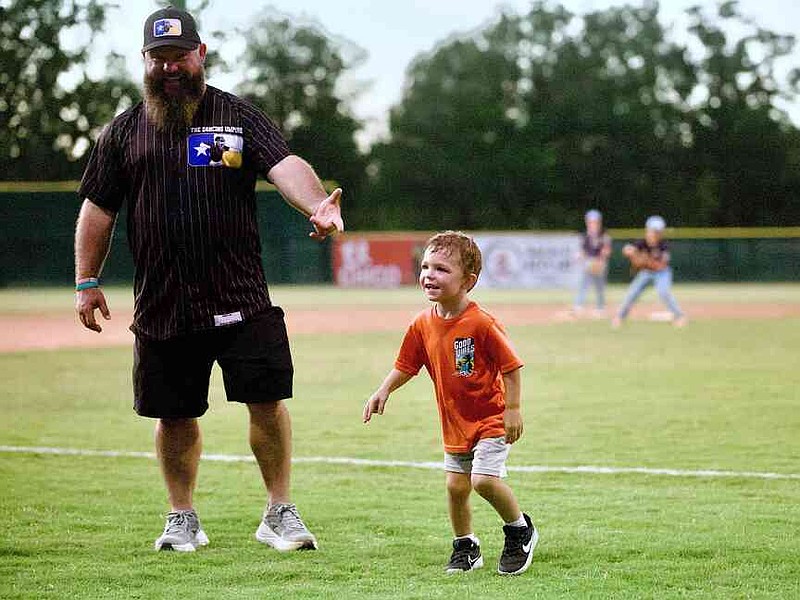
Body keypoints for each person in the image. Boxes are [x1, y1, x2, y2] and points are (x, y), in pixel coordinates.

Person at [74, 6, 343, 553]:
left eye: (179, 56)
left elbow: (284, 165)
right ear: (145, 62)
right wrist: (86, 279)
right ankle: (182, 516)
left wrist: (317, 205)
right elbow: (97, 208)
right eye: (158, 58)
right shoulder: (123, 133)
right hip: (163, 303)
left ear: (201, 55)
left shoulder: (236, 117)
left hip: (240, 296)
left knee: (266, 402)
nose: (169, 68)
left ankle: (279, 511)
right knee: (174, 415)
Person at [362, 231, 538, 576]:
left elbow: (512, 368)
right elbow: (406, 365)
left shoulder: (481, 323)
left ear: (468, 281)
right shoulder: (421, 324)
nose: (429, 274)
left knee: (483, 481)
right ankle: (466, 545)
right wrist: (383, 390)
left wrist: (513, 409)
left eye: (442, 269)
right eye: (426, 266)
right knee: (456, 487)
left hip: (491, 418)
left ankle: (520, 530)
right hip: (455, 423)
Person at [612, 216, 686, 327]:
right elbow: (626, 250)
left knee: (664, 292)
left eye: (657, 231)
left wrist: (645, 260)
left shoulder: (664, 245)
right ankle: (619, 317)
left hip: (662, 273)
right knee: (632, 293)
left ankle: (680, 316)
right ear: (648, 230)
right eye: (653, 230)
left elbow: (661, 265)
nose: (654, 234)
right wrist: (632, 253)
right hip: (646, 272)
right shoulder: (641, 242)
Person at [572, 209, 612, 316]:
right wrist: (579, 256)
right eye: (591, 222)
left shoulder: (604, 235)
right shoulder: (585, 235)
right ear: (587, 222)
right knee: (583, 284)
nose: (593, 224)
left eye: (595, 221)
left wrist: (600, 260)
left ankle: (600, 307)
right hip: (588, 263)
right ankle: (578, 305)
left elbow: (606, 250)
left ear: (599, 222)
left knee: (599, 286)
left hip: (600, 263)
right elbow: (583, 251)